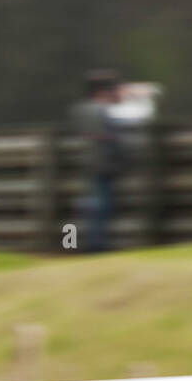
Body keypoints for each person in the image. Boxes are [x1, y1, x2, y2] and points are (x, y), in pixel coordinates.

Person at [72, 70, 124, 252]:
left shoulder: (82, 110)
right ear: (104, 91)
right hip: (103, 164)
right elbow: (112, 138)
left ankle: (92, 242)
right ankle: (97, 245)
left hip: (89, 163)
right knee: (101, 206)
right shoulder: (102, 112)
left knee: (93, 204)